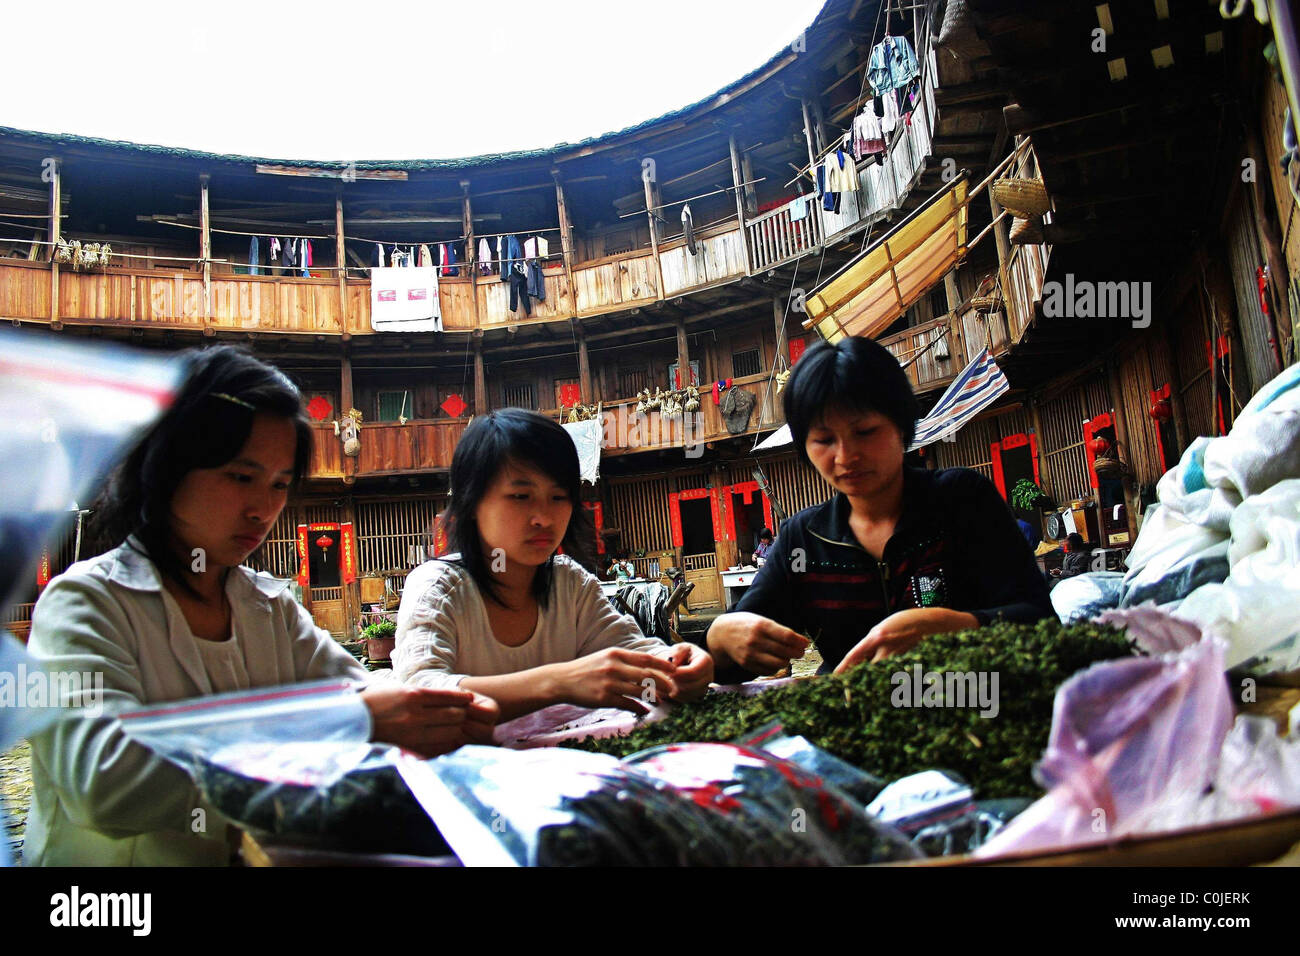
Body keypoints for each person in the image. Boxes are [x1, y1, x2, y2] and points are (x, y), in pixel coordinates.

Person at [23, 346, 497, 866]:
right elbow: (104, 785)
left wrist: (432, 710)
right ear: (168, 465)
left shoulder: (268, 607)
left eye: (278, 485)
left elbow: (357, 688)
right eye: (241, 477)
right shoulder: (86, 604)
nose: (263, 508)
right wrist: (344, 719)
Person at [704, 337, 1054, 679]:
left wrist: (958, 627)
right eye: (824, 440)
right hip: (851, 723)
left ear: (901, 424)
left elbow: (1041, 621)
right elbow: (733, 658)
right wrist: (719, 638)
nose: (846, 456)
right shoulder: (803, 539)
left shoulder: (962, 501)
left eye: (866, 431)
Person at [393, 409, 713, 721]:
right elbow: (419, 697)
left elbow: (632, 653)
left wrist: (677, 667)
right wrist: (558, 683)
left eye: (558, 497)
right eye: (521, 496)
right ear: (471, 503)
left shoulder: (569, 585)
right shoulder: (439, 590)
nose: (544, 518)